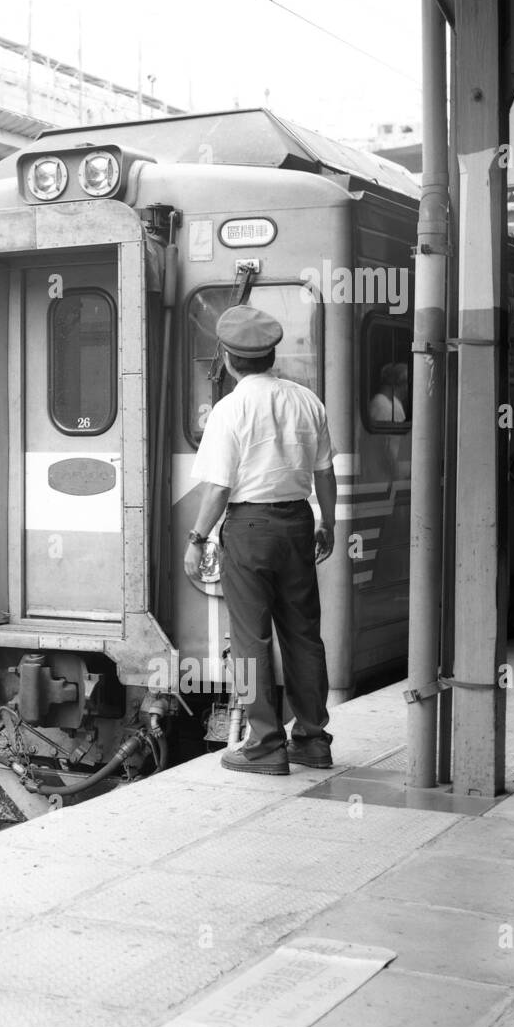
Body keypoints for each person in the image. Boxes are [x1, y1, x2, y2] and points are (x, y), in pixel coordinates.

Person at [183, 305, 337, 775]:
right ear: (272, 355)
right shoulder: (308, 401)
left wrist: (197, 538)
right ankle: (312, 741)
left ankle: (265, 744)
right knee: (304, 636)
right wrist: (326, 522)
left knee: (250, 640)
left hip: (249, 530)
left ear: (228, 360)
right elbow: (324, 472)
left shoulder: (230, 409)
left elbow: (219, 487)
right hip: (296, 524)